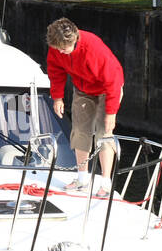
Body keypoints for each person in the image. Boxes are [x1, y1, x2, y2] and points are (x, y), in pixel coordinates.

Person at [46, 17, 124, 192]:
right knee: (80, 130)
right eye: (57, 49)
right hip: (82, 89)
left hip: (107, 89)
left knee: (104, 132)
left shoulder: (93, 49)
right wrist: (57, 97)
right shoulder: (56, 48)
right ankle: (82, 178)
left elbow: (114, 81)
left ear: (73, 40)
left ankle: (105, 183)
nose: (61, 52)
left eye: (64, 49)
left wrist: (111, 113)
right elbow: (55, 71)